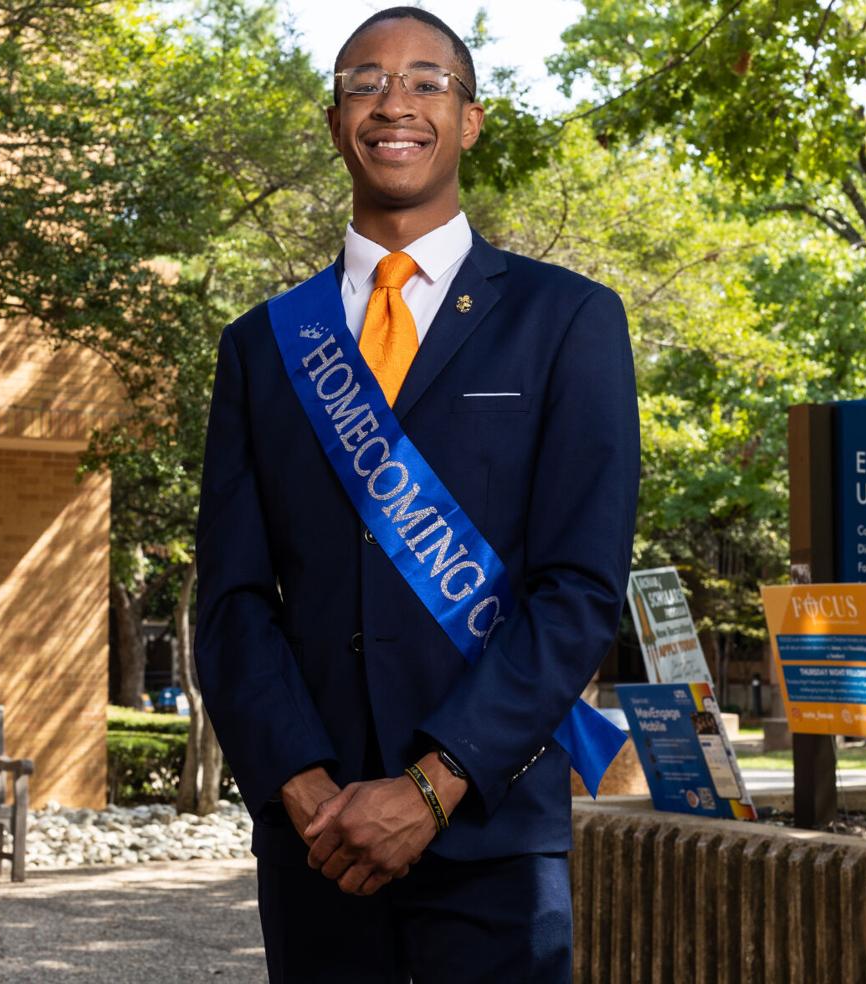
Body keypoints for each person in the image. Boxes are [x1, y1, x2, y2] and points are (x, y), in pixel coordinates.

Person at [194, 8, 639, 982]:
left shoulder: (568, 322)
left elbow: (579, 592)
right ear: (333, 119)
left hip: (492, 837)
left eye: (427, 81)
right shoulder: (264, 347)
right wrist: (303, 790)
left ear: (470, 121)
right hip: (318, 847)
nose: (394, 101)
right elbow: (230, 602)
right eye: (365, 81)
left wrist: (432, 787)